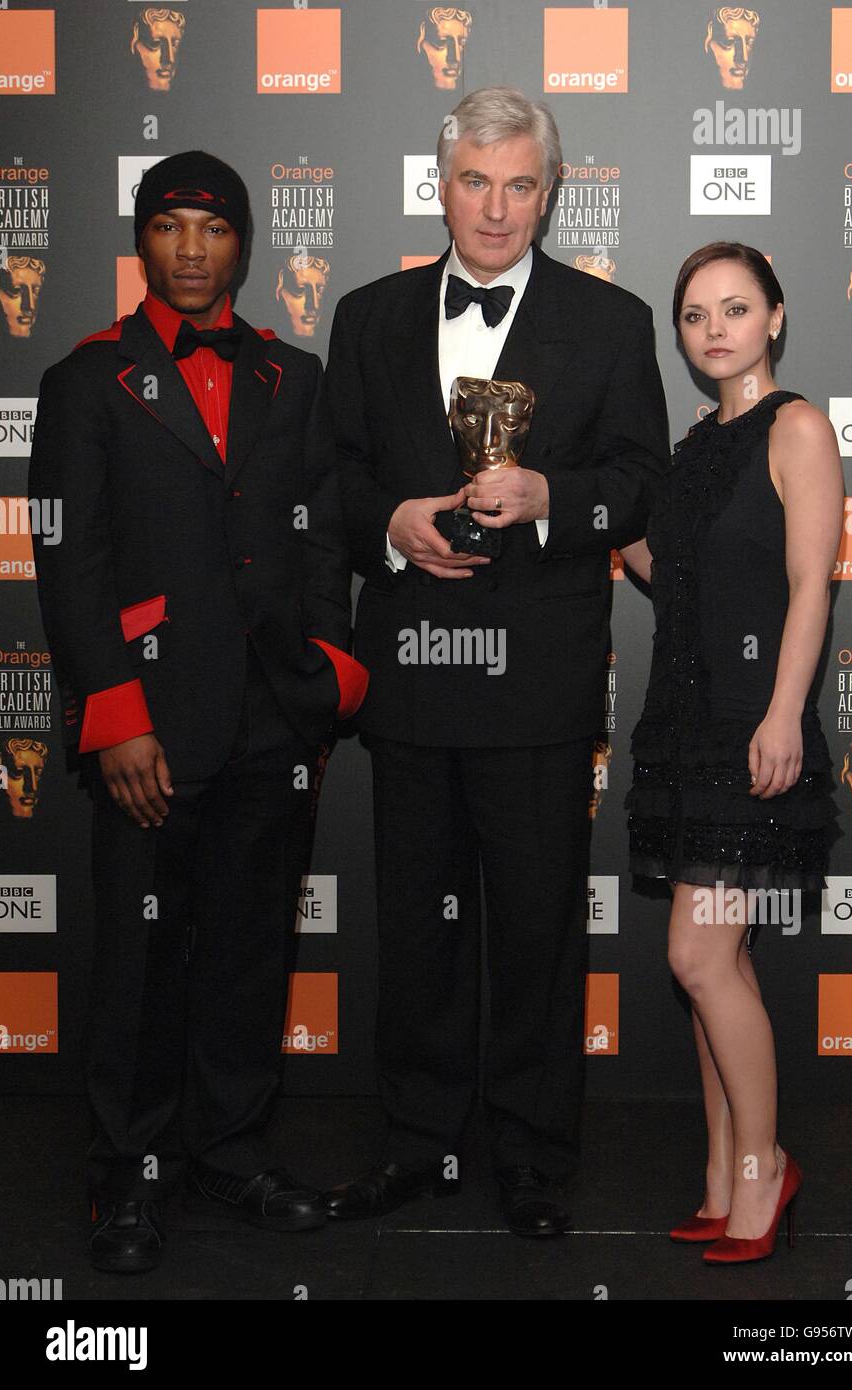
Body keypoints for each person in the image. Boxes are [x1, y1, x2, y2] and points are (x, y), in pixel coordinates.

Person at [320, 87, 670, 1237]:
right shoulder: (367, 317)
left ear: (550, 191)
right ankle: (420, 1143)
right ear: (442, 184)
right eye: (477, 180)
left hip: (536, 682)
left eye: (522, 183)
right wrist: (393, 528)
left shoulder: (610, 324)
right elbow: (330, 483)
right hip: (415, 670)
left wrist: (554, 499)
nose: (498, 207)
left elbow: (643, 482)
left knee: (535, 930)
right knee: (415, 929)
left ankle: (530, 1154)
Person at [27, 150, 367, 1273]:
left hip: (275, 720)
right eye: (167, 226)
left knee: (247, 955)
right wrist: (113, 715)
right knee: (138, 962)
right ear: (141, 241)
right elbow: (70, 566)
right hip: (149, 731)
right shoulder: (85, 383)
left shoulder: (293, 377)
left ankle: (227, 1150)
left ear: (242, 246)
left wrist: (326, 668)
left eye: (210, 229)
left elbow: (321, 530)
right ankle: (127, 1174)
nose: (188, 249)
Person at [621, 241, 844, 1263]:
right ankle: (721, 1169)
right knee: (725, 965)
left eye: (736, 308)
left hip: (757, 724)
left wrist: (787, 711)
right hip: (687, 727)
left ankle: (765, 1167)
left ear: (777, 318)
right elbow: (672, 574)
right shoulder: (690, 448)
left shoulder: (796, 427)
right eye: (696, 314)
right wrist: (591, 512)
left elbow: (812, 586)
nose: (715, 329)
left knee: (697, 956)